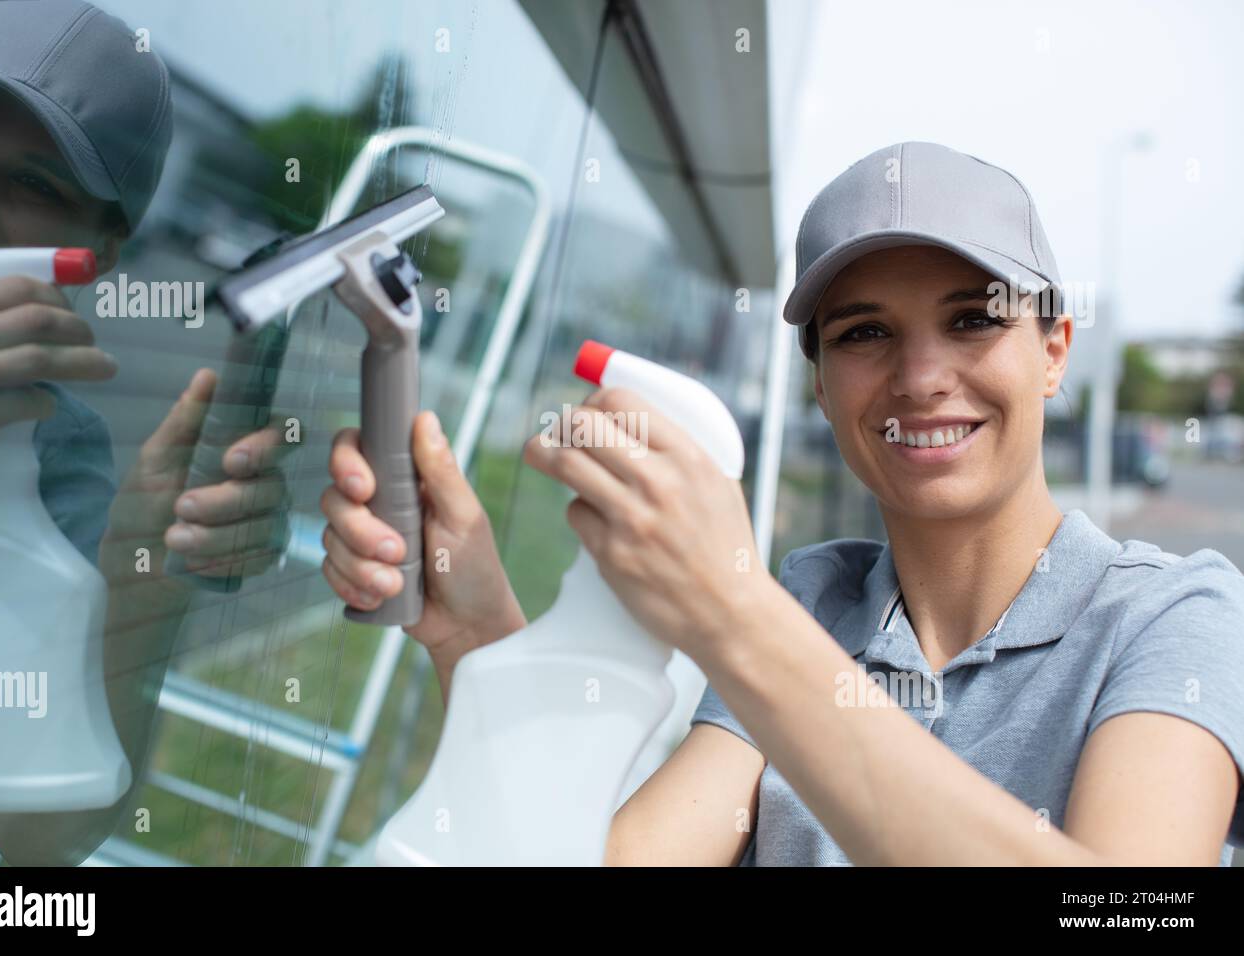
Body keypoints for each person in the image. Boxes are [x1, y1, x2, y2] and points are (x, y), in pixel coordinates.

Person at [320, 141, 1244, 865]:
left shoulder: (1176, 618)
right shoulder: (813, 602)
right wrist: (475, 637)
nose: (921, 378)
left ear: (1053, 350)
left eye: (973, 318)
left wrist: (732, 612)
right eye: (865, 332)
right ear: (819, 385)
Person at [0, 0, 292, 866]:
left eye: (28, 184)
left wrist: (143, 585)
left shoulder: (50, 449)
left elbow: (40, 836)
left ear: (103, 253)